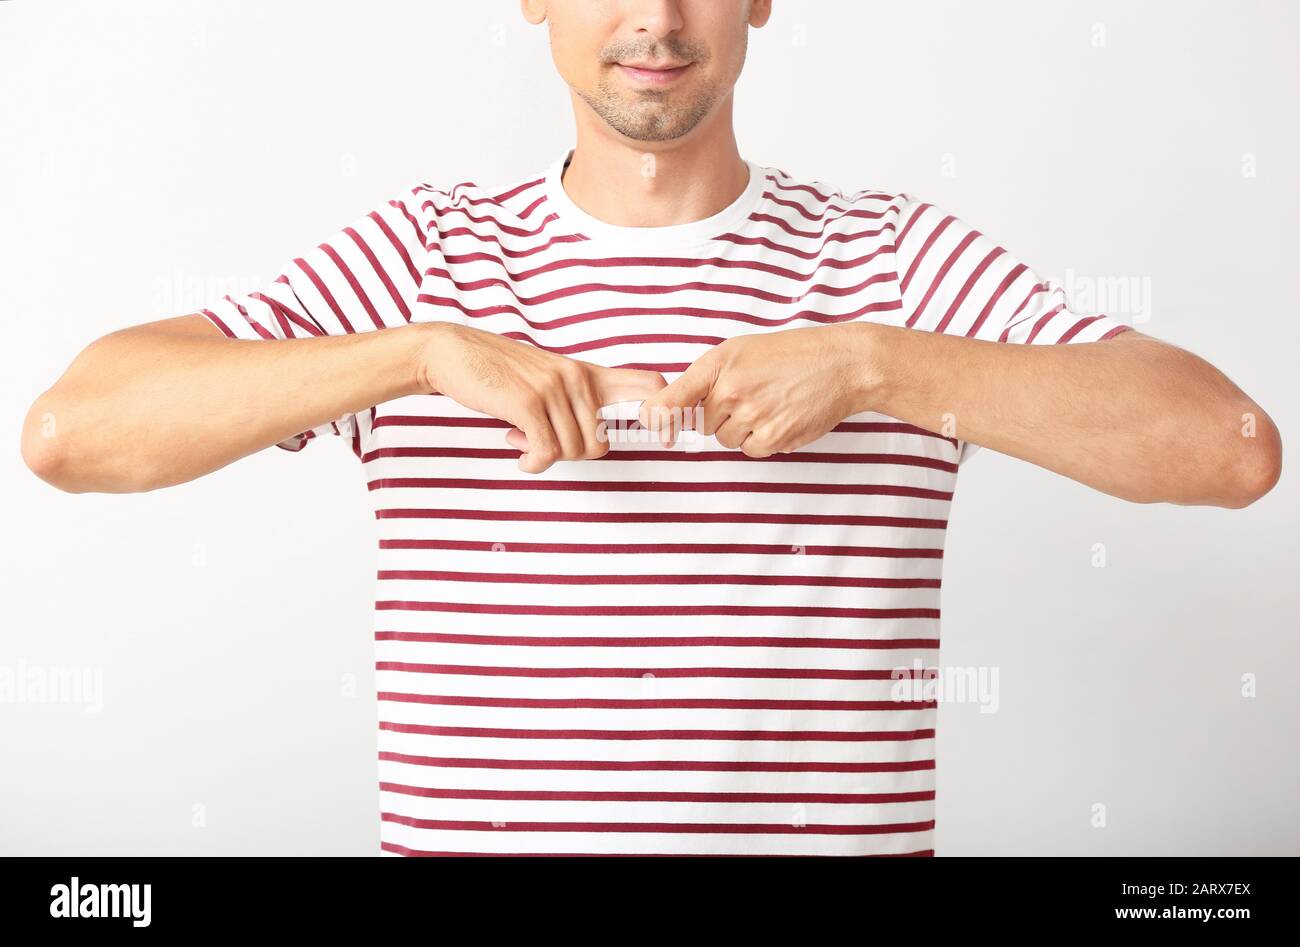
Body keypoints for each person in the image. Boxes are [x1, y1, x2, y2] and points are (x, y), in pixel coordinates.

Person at [20, 1, 1281, 857]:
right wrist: (414, 354)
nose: (657, 19)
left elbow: (1227, 447)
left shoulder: (890, 258)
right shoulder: (427, 257)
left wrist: (881, 364)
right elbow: (75, 431)